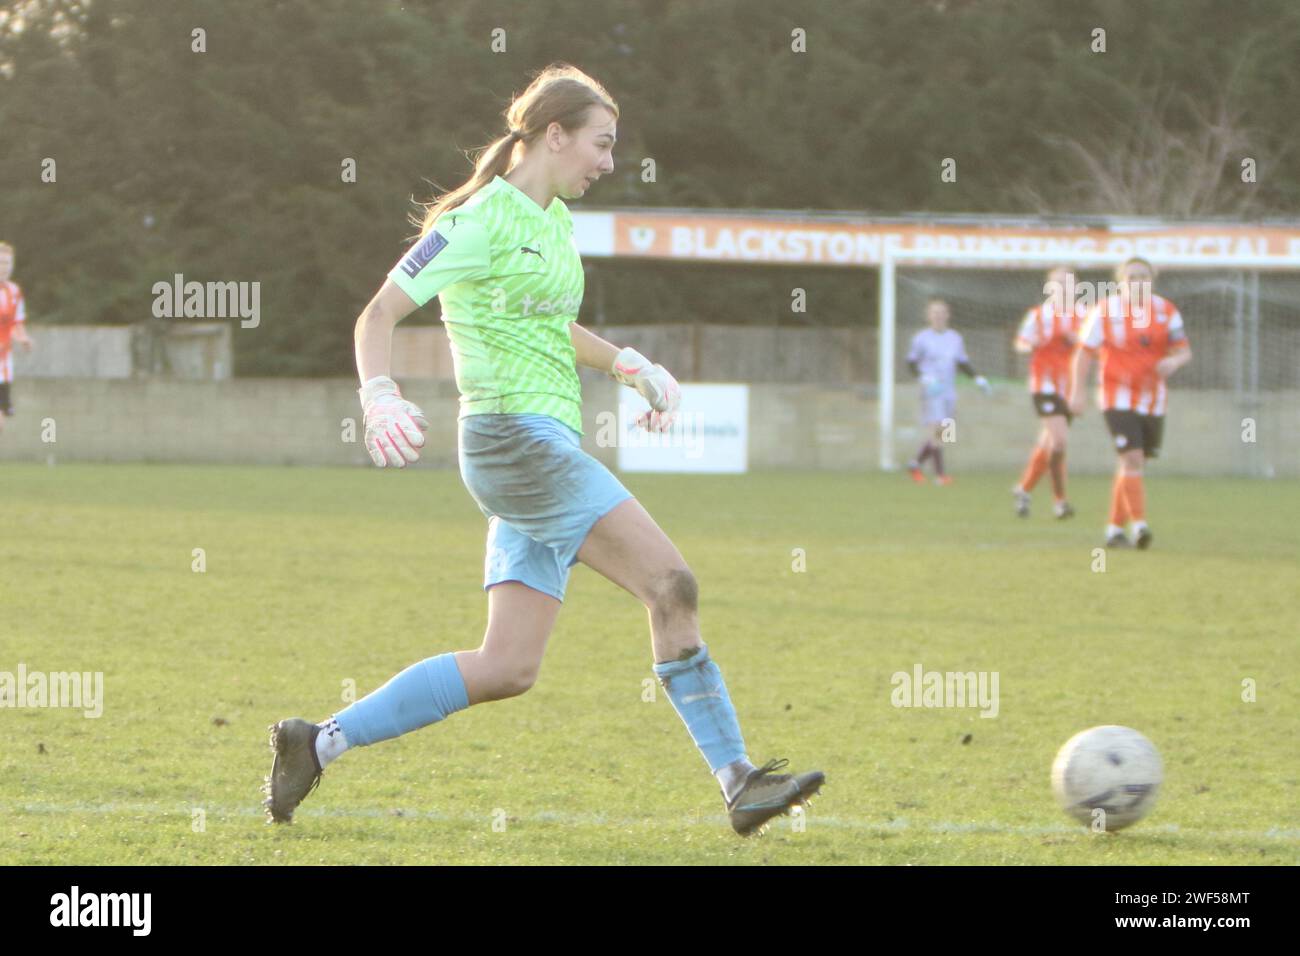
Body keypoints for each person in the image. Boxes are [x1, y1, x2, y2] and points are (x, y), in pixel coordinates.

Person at [264, 64, 823, 837]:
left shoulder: (554, 221)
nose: (609, 161)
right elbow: (378, 313)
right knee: (671, 584)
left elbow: (546, 324)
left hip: (540, 445)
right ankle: (739, 781)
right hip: (512, 442)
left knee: (507, 666)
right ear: (553, 135)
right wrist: (378, 394)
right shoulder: (477, 222)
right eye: (601, 143)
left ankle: (316, 742)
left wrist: (627, 363)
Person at [1069, 257, 1192, 549]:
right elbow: (1084, 353)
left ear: (1152, 280)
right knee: (1132, 458)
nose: (1138, 282)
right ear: (1121, 281)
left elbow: (1184, 351)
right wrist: (1077, 391)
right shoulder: (1105, 311)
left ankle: (1114, 530)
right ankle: (1140, 526)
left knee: (1133, 464)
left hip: (1153, 399)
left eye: (1143, 277)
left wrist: (1173, 362)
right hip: (1116, 394)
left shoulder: (1166, 310)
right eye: (1132, 277)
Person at [1010, 267, 1084, 519]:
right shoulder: (1038, 315)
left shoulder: (1085, 315)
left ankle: (1023, 489)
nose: (1062, 288)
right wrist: (1031, 344)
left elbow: (1095, 348)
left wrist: (1078, 340)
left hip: (1070, 388)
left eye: (1067, 284)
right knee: (1060, 440)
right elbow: (1020, 343)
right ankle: (1060, 502)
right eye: (1057, 284)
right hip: (1044, 385)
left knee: (1050, 443)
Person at [905, 298, 991, 485]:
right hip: (932, 390)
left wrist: (978, 378)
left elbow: (962, 362)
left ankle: (915, 464)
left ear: (948, 315)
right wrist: (925, 378)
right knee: (937, 431)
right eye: (934, 312)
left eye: (941, 312)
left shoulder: (955, 338)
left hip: (949, 391)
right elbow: (911, 363)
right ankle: (940, 475)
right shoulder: (921, 338)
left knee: (946, 434)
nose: (938, 316)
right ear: (928, 316)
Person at [0, 242, 35, 433]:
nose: (4, 267)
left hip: (3, 365)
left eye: (8, 263)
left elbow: (16, 323)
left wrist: (23, 338)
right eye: (1, 262)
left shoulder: (14, 291)